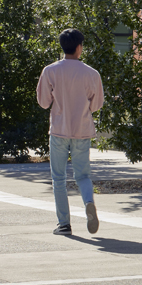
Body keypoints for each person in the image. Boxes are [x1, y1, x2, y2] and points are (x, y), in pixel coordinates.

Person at [36, 28, 104, 236]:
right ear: (79, 47)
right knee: (83, 175)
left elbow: (43, 102)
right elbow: (97, 103)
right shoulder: (91, 73)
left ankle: (64, 224)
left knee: (58, 179)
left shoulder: (50, 71)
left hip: (59, 130)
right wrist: (85, 109)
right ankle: (88, 202)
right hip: (82, 130)